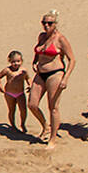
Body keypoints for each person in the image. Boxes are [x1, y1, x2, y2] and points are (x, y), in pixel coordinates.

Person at [30, 11, 74, 145]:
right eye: (44, 23)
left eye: (50, 23)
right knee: (32, 104)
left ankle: (52, 139)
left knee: (53, 107)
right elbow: (38, 51)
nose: (46, 25)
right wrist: (34, 61)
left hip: (55, 73)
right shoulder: (42, 36)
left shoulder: (60, 39)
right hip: (40, 73)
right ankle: (46, 125)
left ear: (55, 24)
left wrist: (65, 78)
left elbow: (72, 59)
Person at [0, 50, 34, 138]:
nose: (16, 63)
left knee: (23, 110)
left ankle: (22, 124)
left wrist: (30, 85)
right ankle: (13, 126)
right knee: (12, 110)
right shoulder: (7, 70)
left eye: (18, 61)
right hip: (9, 93)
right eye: (13, 62)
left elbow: (28, 78)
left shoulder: (23, 70)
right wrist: (0, 87)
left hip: (20, 93)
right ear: (9, 61)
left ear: (22, 61)